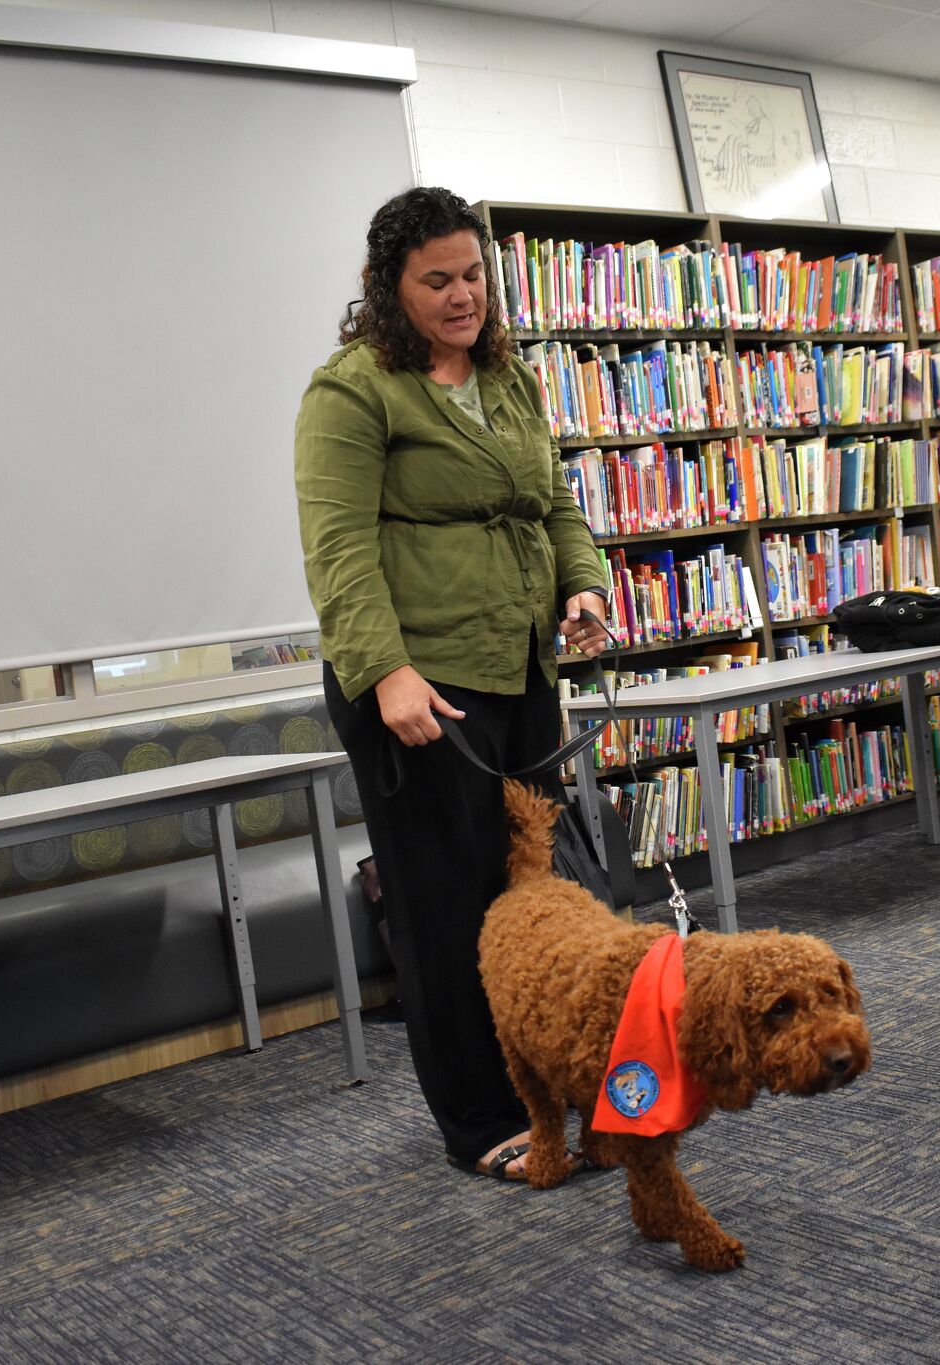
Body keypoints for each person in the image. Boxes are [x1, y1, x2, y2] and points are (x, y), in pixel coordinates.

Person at [294, 187, 612, 1183]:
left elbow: (550, 503)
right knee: (443, 909)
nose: (461, 295)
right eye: (436, 280)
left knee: (530, 897)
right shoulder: (351, 392)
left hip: (518, 666)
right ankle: (480, 1120)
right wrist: (384, 670)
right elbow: (337, 550)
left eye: (471, 274)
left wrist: (584, 584)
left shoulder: (505, 380)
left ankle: (551, 1085)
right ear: (387, 287)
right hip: (416, 687)